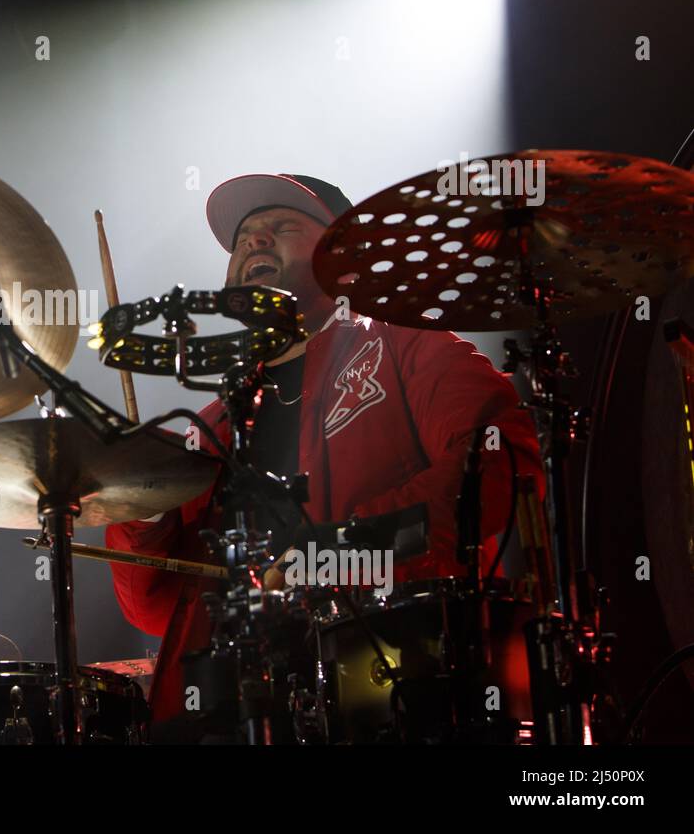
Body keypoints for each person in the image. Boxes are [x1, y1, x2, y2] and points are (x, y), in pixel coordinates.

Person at [104, 173, 544, 736]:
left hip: (399, 692)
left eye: (282, 226)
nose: (255, 242)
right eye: (243, 239)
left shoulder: (404, 344)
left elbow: (503, 464)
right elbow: (155, 610)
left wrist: (334, 549)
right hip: (239, 715)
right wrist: (144, 511)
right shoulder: (211, 429)